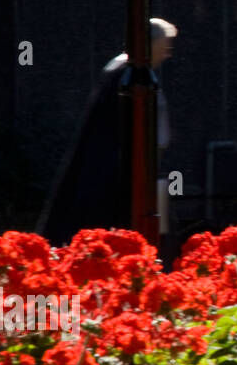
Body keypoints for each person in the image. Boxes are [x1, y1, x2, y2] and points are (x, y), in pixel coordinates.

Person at [38, 18, 178, 247]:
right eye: (164, 47)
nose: (167, 54)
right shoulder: (131, 75)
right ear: (149, 45)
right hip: (120, 172)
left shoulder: (121, 71)